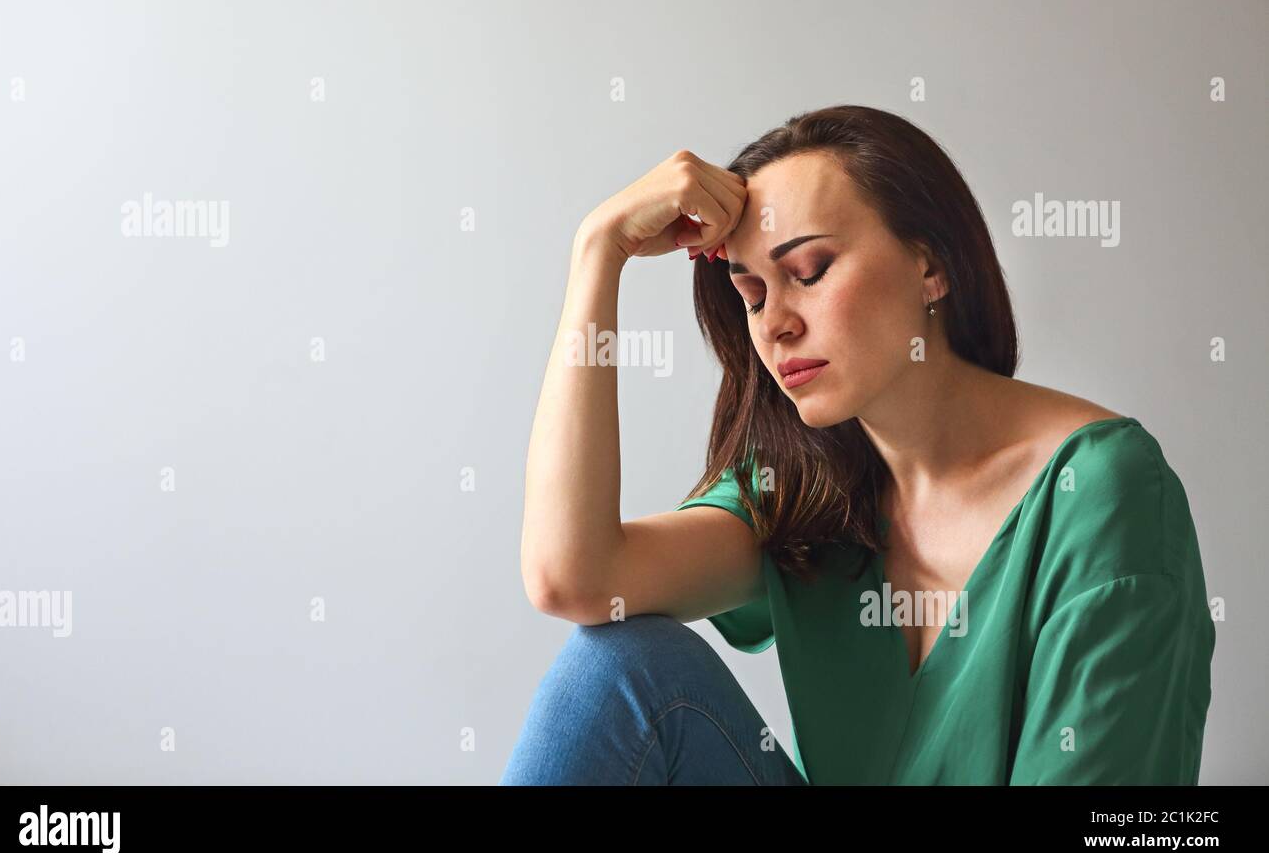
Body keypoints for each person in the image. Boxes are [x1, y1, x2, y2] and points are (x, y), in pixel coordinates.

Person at [502, 104, 1215, 785]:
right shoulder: (807, 493)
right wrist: (601, 250)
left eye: (808, 272)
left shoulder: (1099, 492)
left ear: (930, 267)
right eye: (752, 295)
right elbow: (576, 578)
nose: (774, 324)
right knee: (623, 667)